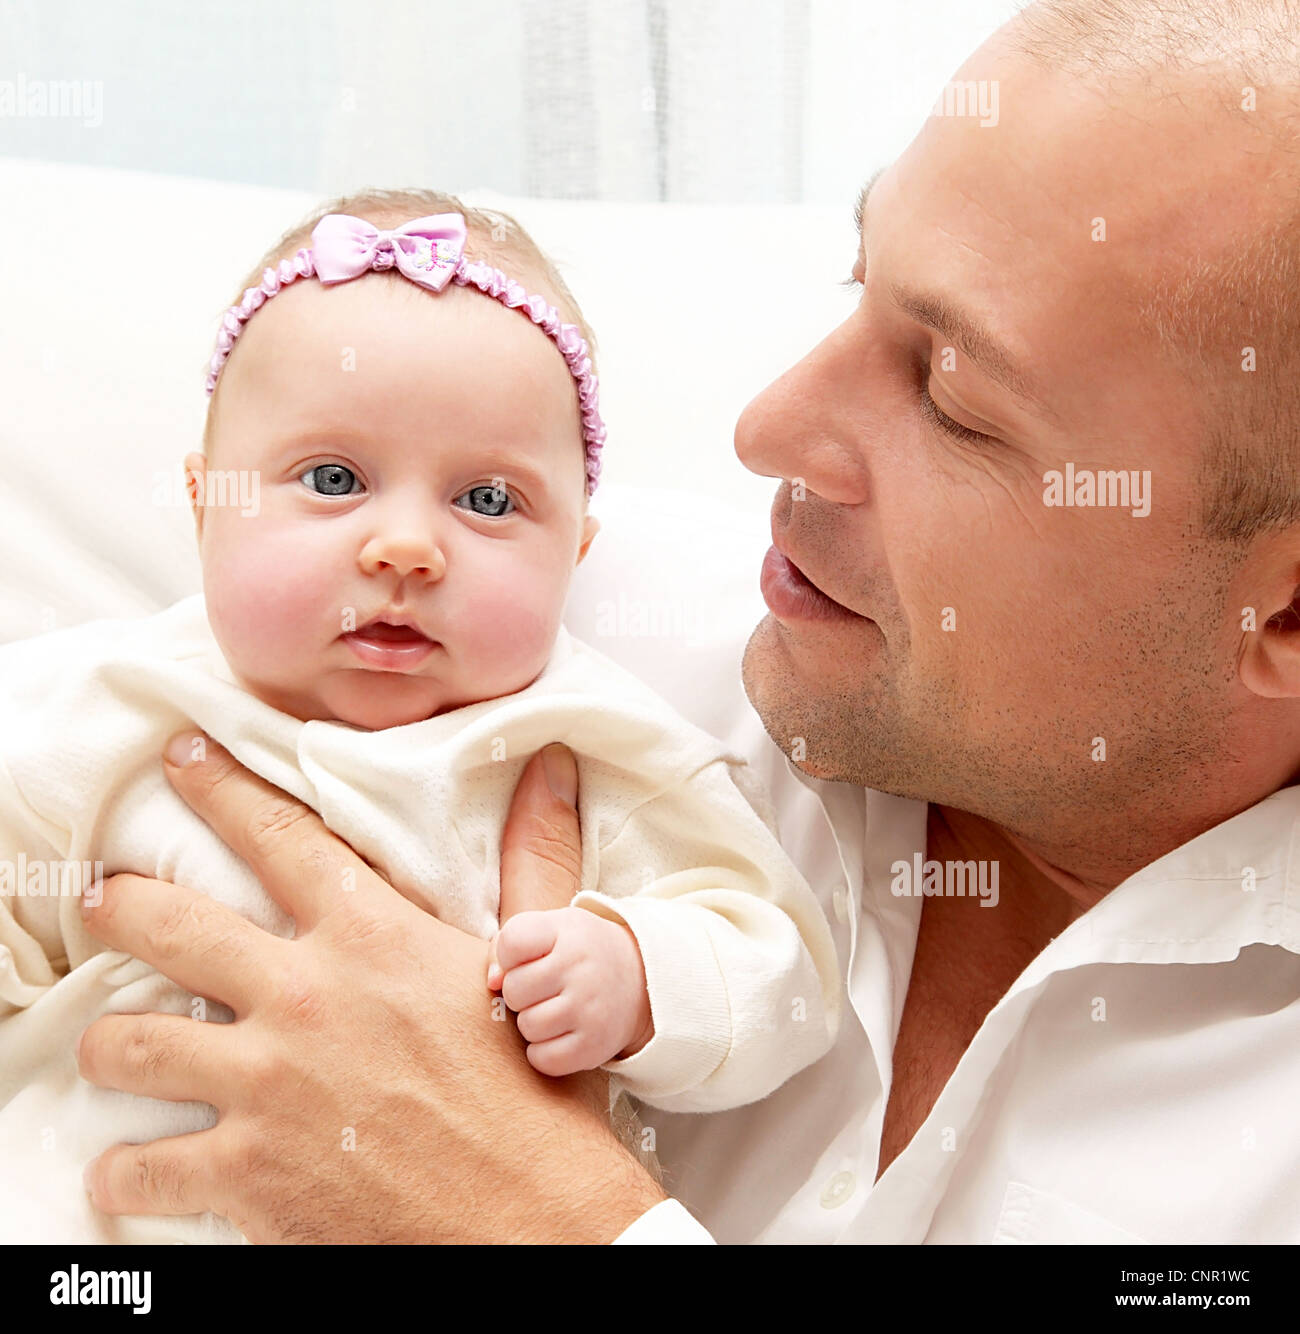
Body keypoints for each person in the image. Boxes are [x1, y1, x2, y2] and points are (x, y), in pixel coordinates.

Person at [77, 0, 1300, 1243]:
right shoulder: (553, 614)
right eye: (858, 278)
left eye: (953, 398)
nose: (764, 429)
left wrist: (544, 1212)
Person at [0, 189, 840, 1243]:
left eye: (487, 501)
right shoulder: (106, 705)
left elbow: (778, 969)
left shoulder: (586, 744)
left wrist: (636, 974)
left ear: (574, 550)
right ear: (205, 503)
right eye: (335, 477)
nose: (406, 547)